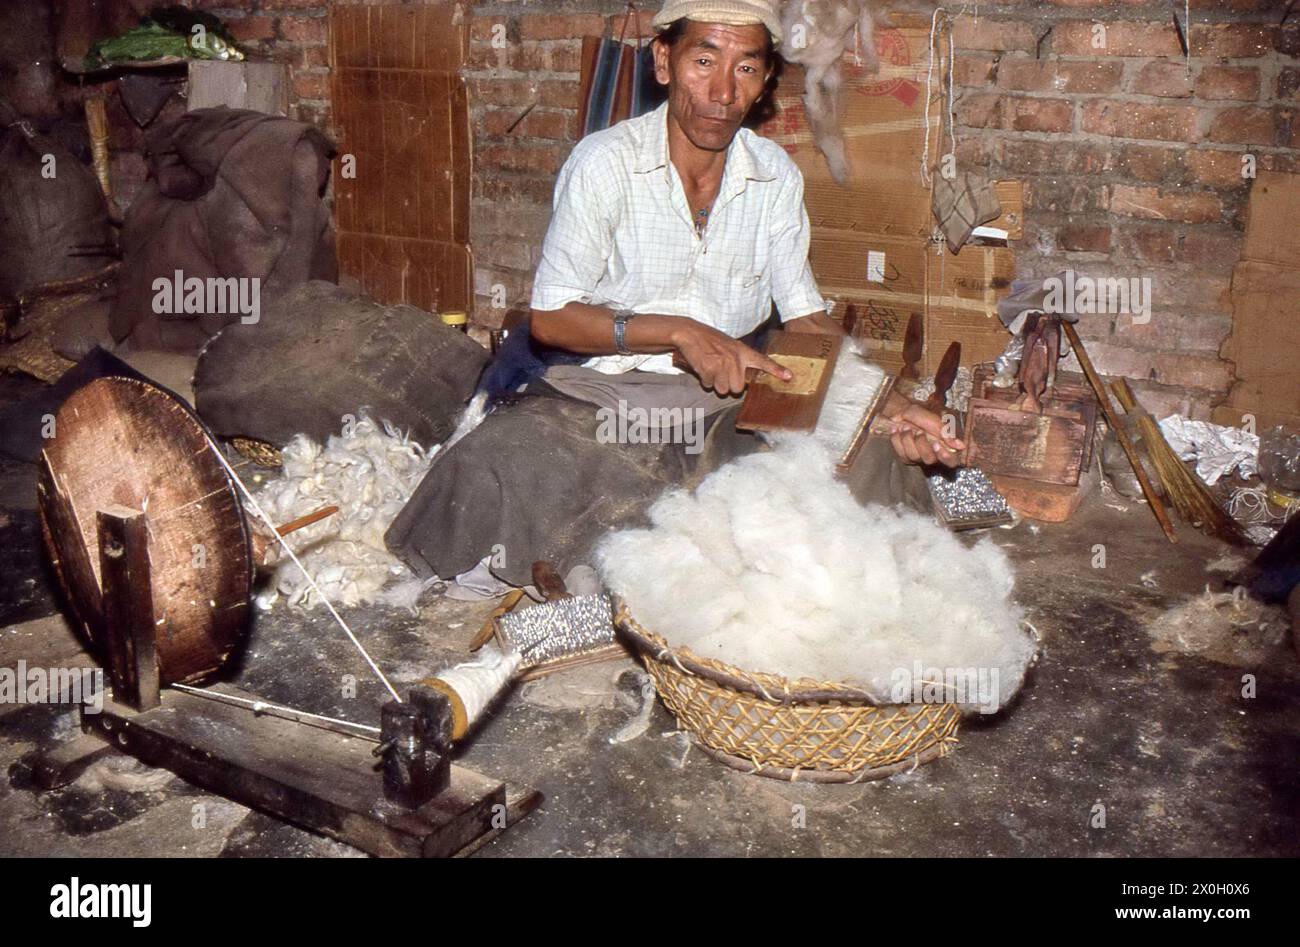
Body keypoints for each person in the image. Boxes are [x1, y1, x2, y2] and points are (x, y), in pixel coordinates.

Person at [385, 0, 964, 588]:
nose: (721, 92)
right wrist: (679, 330)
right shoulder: (605, 164)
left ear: (765, 82)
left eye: (744, 68)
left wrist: (890, 405)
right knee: (496, 469)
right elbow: (553, 320)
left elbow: (806, 321)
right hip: (603, 396)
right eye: (704, 61)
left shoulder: (774, 177)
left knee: (862, 464)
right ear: (664, 61)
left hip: (729, 402)